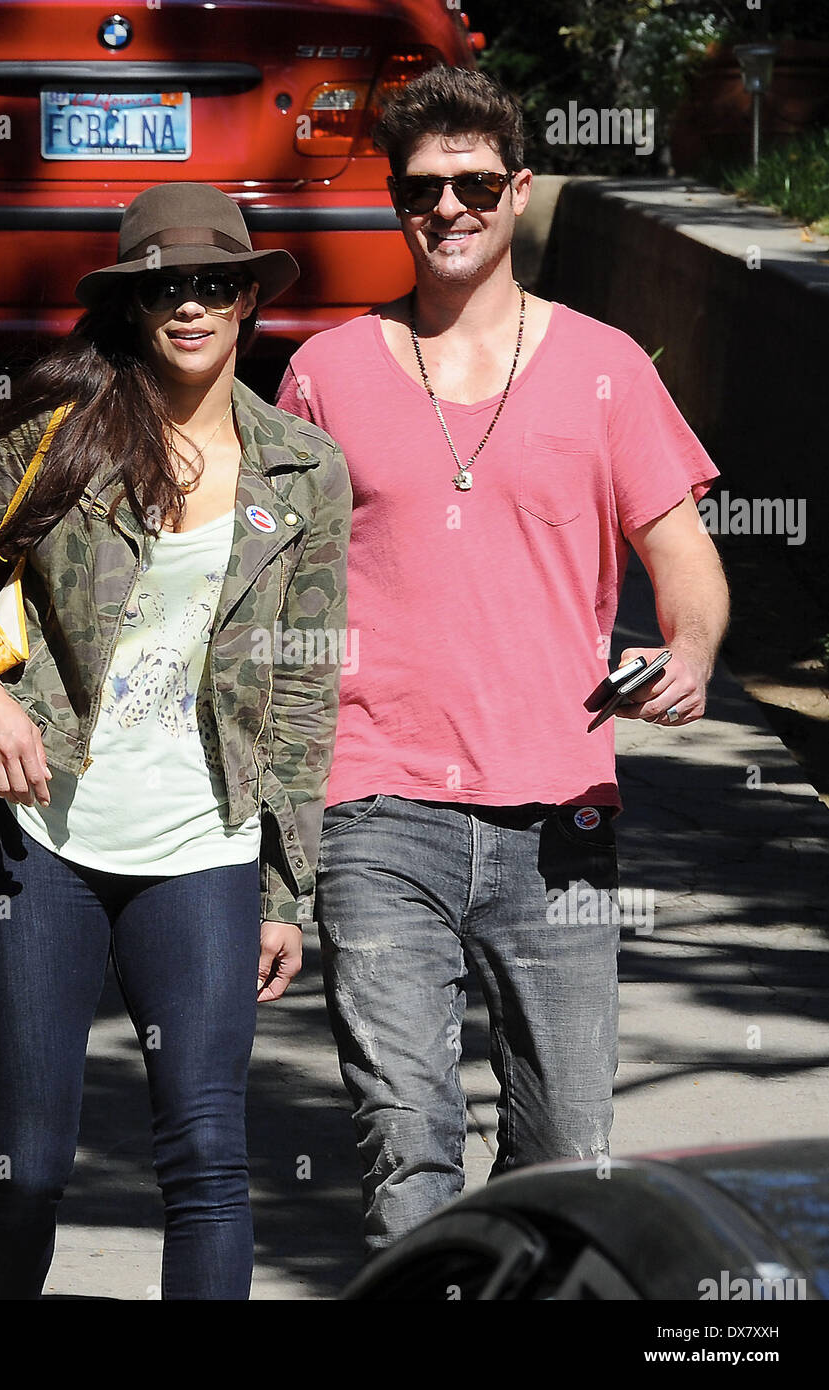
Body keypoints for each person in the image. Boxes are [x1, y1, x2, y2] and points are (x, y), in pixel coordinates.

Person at [275, 65, 729, 1256]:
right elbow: (267, 593)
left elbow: (681, 551)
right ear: (395, 203)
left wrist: (686, 650)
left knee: (565, 1153)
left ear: (517, 191)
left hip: (561, 811)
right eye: (423, 190)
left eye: (475, 184)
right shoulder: (327, 373)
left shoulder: (606, 365)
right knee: (404, 1141)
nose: (450, 210)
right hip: (375, 804)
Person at [0, 183, 351, 1299]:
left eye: (215, 285)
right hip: (44, 839)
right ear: (134, 306)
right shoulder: (58, 443)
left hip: (205, 847)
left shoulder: (303, 469)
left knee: (207, 1161)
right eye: (166, 286)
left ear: (248, 301)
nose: (191, 306)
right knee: (30, 1164)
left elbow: (303, 685)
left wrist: (289, 892)